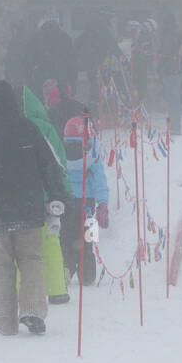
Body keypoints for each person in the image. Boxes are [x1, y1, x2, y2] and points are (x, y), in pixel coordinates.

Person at [0, 81, 71, 336]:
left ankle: (4, 319)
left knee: (2, 265)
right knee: (31, 259)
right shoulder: (28, 129)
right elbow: (49, 166)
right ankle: (32, 309)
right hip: (28, 208)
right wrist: (58, 195)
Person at [21, 85, 76, 304]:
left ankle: (19, 290)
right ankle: (56, 289)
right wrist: (65, 192)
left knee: (20, 247)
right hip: (46, 195)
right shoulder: (45, 128)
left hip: (20, 196)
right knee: (50, 242)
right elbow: (59, 162)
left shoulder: (9, 127)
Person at [61, 115, 106, 285]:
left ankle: (66, 266)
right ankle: (87, 273)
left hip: (66, 200)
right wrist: (103, 204)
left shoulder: (61, 153)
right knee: (88, 236)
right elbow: (100, 180)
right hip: (89, 201)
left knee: (65, 235)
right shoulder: (92, 156)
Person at [27, 13, 78, 99]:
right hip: (62, 80)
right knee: (61, 106)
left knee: (43, 106)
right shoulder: (66, 38)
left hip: (42, 80)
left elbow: (29, 62)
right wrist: (73, 82)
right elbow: (71, 63)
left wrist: (30, 81)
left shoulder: (37, 39)